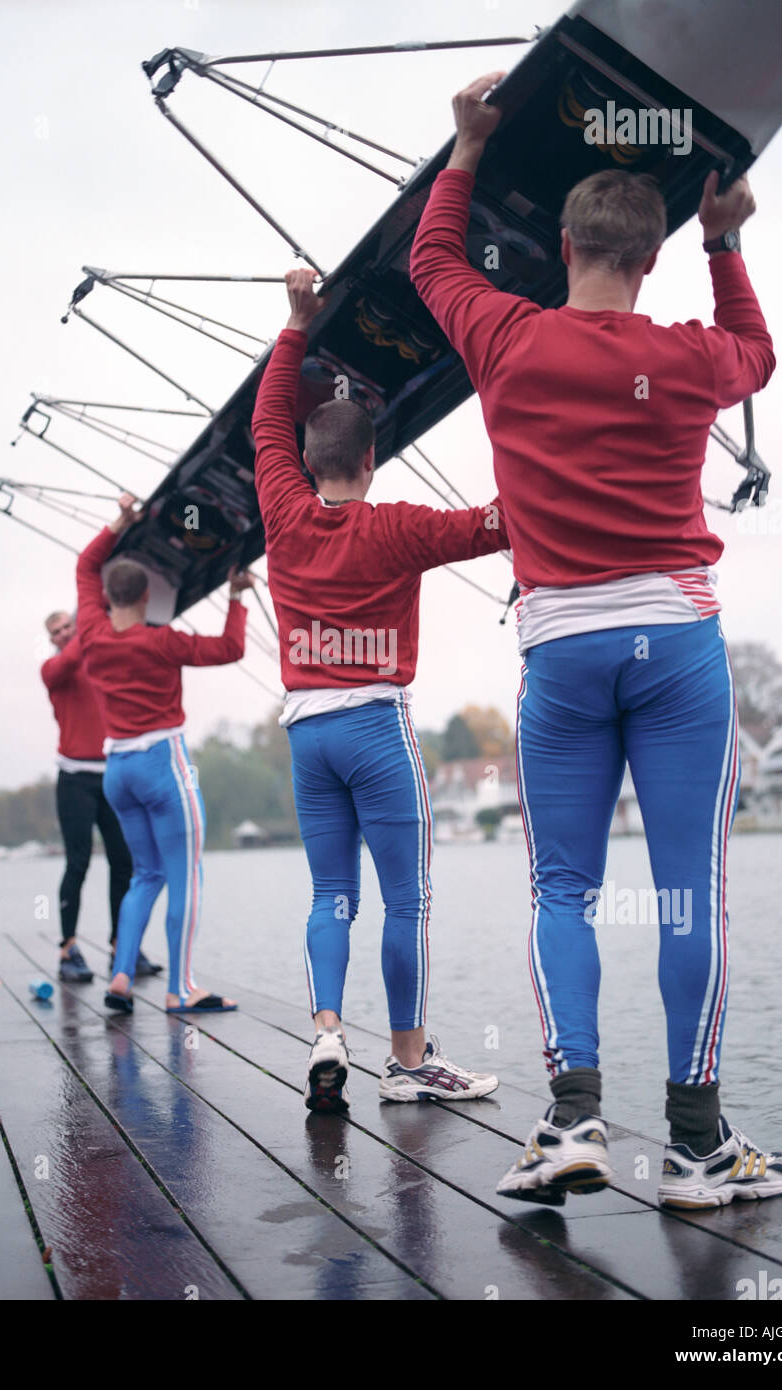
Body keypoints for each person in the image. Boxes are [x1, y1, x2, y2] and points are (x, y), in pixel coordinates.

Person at [409, 73, 782, 1208]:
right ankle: (694, 1145)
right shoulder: (682, 357)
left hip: (561, 655)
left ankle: (571, 1116)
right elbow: (756, 353)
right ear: (648, 257)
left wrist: (467, 149)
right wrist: (724, 246)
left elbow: (433, 265)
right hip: (675, 647)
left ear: (564, 244)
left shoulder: (505, 340)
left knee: (560, 890)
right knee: (689, 893)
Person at [252, 268, 510, 1113]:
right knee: (409, 898)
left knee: (331, 895)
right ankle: (405, 1061)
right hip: (373, 731)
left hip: (305, 737)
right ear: (371, 459)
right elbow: (493, 524)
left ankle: (327, 1029)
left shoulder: (283, 512)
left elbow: (264, 424)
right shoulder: (400, 527)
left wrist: (296, 325)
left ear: (307, 462)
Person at [75, 493, 254, 1014]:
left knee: (143, 875)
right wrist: (237, 596)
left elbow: (85, 565)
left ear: (108, 596)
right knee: (185, 875)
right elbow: (229, 649)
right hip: (161, 764)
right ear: (150, 593)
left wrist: (118, 523)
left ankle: (121, 978)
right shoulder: (163, 642)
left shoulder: (90, 630)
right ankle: (180, 988)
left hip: (117, 771)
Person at [41, 609, 159, 982]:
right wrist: (88, 621)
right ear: (52, 639)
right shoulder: (54, 669)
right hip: (74, 779)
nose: (62, 634)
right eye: (55, 631)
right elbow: (75, 653)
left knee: (123, 861)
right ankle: (68, 948)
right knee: (78, 862)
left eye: (67, 628)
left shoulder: (99, 663)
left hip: (111, 776)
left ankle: (120, 947)